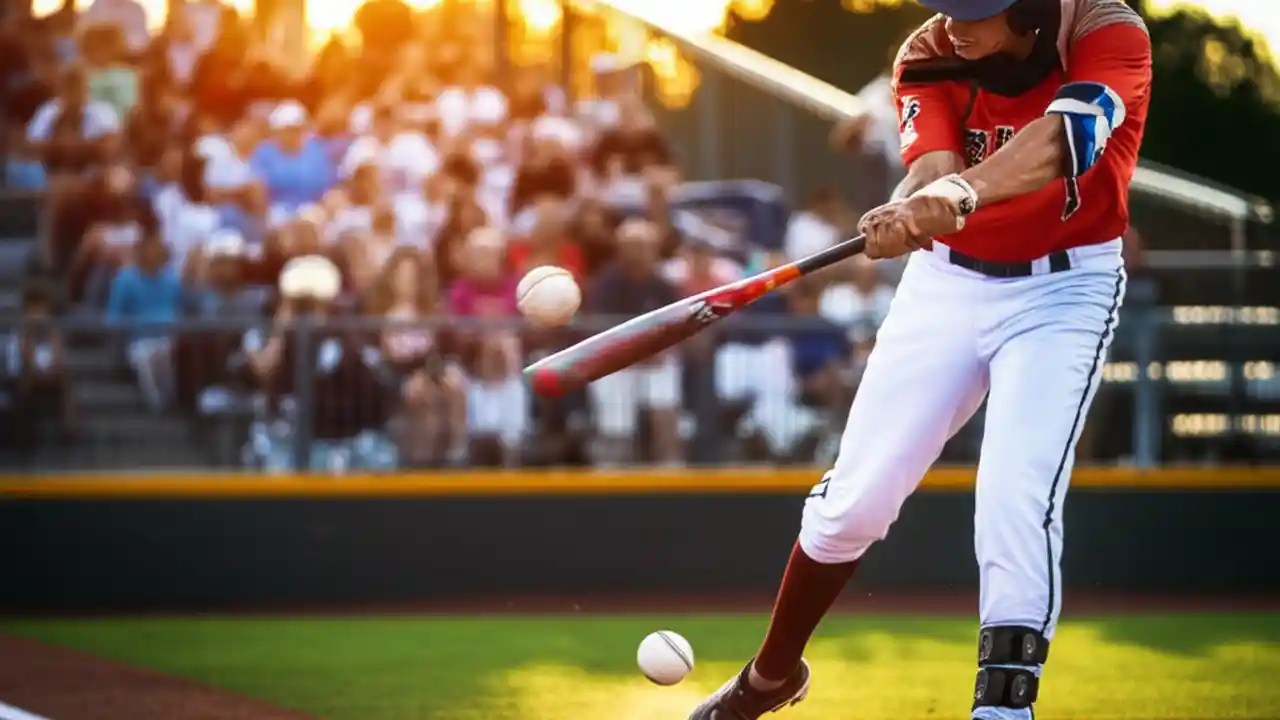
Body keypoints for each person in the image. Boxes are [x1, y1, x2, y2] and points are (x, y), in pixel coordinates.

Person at [689, 1, 1152, 718]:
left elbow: (1065, 140)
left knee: (1013, 498)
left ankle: (1002, 710)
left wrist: (953, 193)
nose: (955, 21)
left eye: (978, 8)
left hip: (1065, 290)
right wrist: (907, 210)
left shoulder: (1105, 31)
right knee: (854, 502)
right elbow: (933, 169)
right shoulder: (928, 51)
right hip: (949, 282)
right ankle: (772, 675)